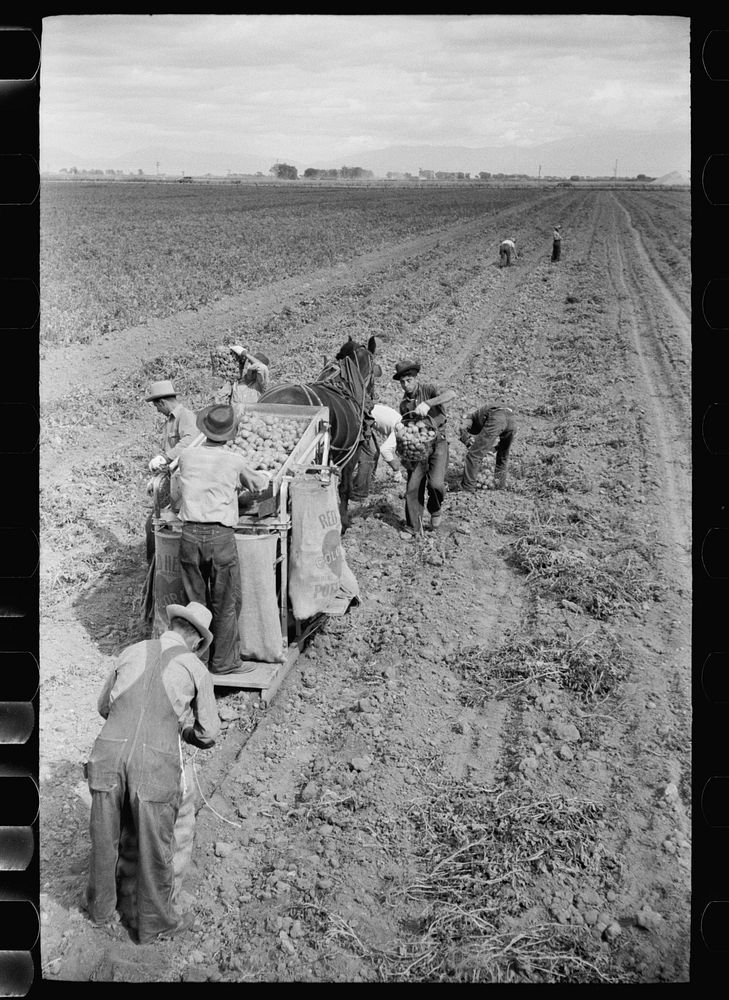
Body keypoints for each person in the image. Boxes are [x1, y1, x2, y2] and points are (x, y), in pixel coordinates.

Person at [85, 601, 220, 945]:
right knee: (155, 844)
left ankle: (100, 912)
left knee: (104, 838)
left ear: (171, 625)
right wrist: (182, 731)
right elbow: (208, 734)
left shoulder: (130, 651)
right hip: (154, 763)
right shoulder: (195, 668)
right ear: (195, 642)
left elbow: (104, 707)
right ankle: (154, 924)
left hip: (107, 753)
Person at [176, 403, 269, 674]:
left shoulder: (187, 456)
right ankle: (224, 662)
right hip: (220, 538)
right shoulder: (234, 460)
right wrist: (259, 477)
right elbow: (259, 486)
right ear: (231, 433)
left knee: (194, 602)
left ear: (204, 429)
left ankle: (196, 660)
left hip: (190, 535)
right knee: (226, 601)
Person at [394, 360, 455, 538]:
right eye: (403, 382)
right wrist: (402, 430)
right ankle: (413, 526)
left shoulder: (428, 389)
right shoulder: (404, 404)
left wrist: (429, 403)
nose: (406, 385)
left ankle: (435, 510)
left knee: (435, 484)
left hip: (438, 442)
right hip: (419, 446)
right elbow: (407, 426)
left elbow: (451, 394)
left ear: (415, 378)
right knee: (413, 486)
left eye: (409, 380)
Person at [145, 380, 199, 561]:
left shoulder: (186, 416)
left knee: (156, 524)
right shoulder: (171, 420)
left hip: (184, 481)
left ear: (162, 403)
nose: (158, 411)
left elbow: (189, 441)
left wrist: (165, 457)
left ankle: (157, 566)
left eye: (156, 407)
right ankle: (157, 565)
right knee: (154, 524)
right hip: (173, 480)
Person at [350, 402, 406, 502]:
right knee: (370, 453)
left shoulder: (400, 421)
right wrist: (396, 470)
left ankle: (368, 479)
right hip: (361, 417)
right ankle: (358, 491)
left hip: (362, 412)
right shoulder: (401, 431)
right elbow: (385, 450)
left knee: (374, 451)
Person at [458, 403, 518, 492]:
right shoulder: (483, 414)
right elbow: (510, 436)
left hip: (497, 418)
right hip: (512, 420)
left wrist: (467, 441)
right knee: (503, 456)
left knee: (474, 455)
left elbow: (462, 427)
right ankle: (500, 485)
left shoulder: (471, 417)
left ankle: (467, 487)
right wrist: (497, 447)